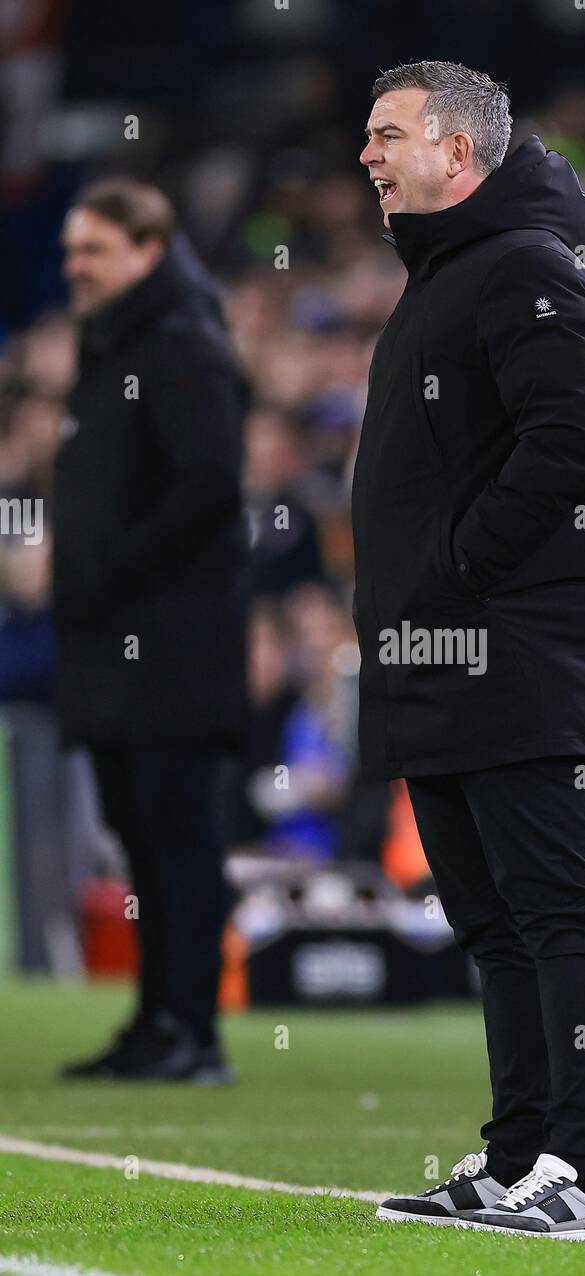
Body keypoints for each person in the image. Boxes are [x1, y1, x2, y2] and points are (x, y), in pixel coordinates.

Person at [353, 61, 585, 1241]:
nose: (366, 157)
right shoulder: (452, 269)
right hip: (438, 648)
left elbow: (570, 438)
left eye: (386, 136)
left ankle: (576, 1171)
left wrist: (461, 565)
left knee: (554, 905)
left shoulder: (518, 262)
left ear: (458, 152)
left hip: (514, 640)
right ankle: (517, 1152)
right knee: (490, 920)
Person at [54, 179, 249, 1082]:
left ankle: (193, 1031)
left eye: (93, 249)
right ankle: (156, 1019)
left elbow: (209, 485)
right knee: (142, 839)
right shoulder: (122, 341)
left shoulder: (181, 344)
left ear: (146, 247)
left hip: (172, 645)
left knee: (180, 838)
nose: (75, 267)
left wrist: (108, 566)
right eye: (70, 250)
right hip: (120, 642)